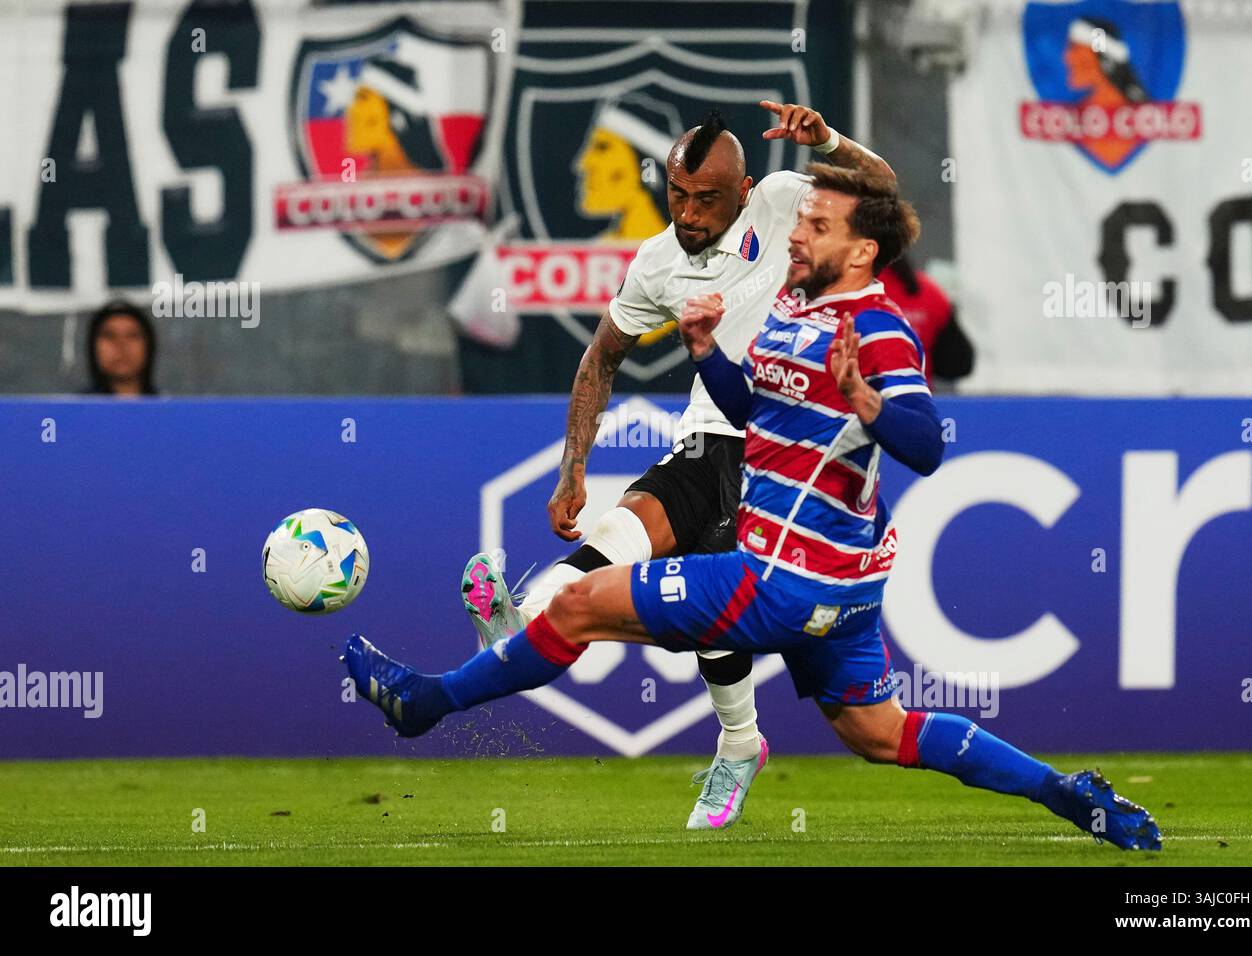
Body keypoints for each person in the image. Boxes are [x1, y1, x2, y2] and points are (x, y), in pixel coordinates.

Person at [347, 164, 1162, 851]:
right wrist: (707, 353)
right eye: (799, 218)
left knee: (580, 604)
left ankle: (426, 704)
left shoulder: (878, 330)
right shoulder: (792, 310)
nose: (797, 233)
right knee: (882, 734)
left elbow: (927, 443)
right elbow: (749, 414)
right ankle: (1065, 793)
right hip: (837, 594)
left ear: (861, 249)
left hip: (782, 578)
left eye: (816, 223)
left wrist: (868, 404)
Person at [459, 100, 896, 829]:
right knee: (629, 527)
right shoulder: (657, 261)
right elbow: (601, 358)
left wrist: (829, 141)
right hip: (705, 432)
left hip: (782, 449)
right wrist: (573, 467)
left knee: (712, 614)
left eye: (708, 200)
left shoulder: (788, 203)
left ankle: (739, 742)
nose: (690, 215)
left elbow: (881, 195)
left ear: (746, 189)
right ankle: (523, 623)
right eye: (679, 198)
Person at [878, 255, 973, 385]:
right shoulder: (930, 292)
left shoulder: (853, 290)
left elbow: (959, 363)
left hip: (862, 400)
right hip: (917, 398)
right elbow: (959, 364)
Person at [85, 301, 158, 396]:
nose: (121, 345)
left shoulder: (169, 407)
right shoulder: (73, 408)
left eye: (132, 335)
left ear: (149, 345)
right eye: (109, 335)